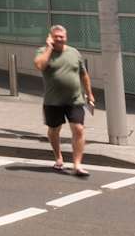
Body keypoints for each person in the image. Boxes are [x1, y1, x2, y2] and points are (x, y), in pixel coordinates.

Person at [33, 24, 95, 177]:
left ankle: (77, 164)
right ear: (51, 38)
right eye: (56, 37)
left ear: (66, 37)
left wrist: (89, 94)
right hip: (53, 101)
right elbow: (40, 65)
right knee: (54, 130)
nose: (60, 39)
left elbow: (84, 74)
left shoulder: (74, 52)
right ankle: (58, 157)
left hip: (74, 99)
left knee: (79, 129)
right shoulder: (43, 51)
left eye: (62, 36)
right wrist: (49, 48)